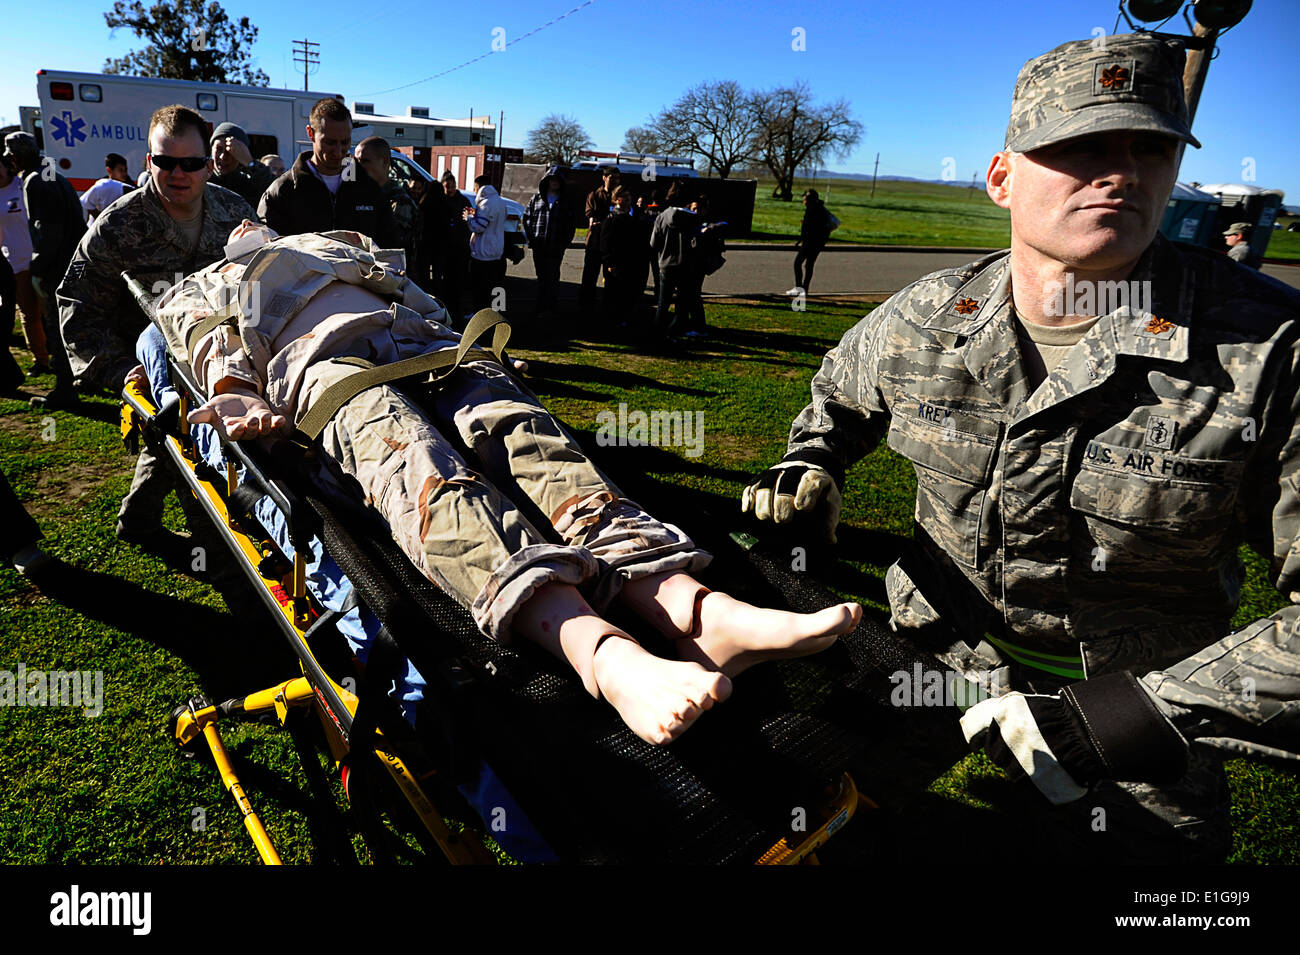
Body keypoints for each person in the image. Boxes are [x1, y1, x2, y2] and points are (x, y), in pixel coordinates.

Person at [741, 33, 1300, 862]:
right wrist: (812, 465)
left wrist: (1125, 721)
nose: (1122, 173)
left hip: (1130, 743)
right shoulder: (927, 316)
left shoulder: (1268, 351)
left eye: (1151, 148)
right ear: (1003, 177)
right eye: (1079, 147)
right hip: (922, 689)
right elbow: (836, 397)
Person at [154, 222, 862, 746]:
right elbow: (207, 341)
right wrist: (234, 391)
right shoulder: (212, 281)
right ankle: (604, 655)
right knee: (421, 470)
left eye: (252, 221)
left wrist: (473, 344)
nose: (244, 226)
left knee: (534, 438)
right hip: (324, 374)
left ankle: (694, 610)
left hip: (424, 344)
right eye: (233, 228)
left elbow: (412, 294)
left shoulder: (335, 240)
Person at [57, 104, 255, 547]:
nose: (178, 174)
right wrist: (119, 370)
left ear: (207, 164)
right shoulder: (118, 226)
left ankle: (137, 522)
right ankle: (224, 568)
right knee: (204, 492)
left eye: (191, 163)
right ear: (149, 161)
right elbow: (77, 305)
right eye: (166, 162)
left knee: (165, 451)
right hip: (155, 376)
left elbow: (263, 283)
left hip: (220, 370)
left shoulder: (235, 213)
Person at [4, 131, 86, 406]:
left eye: (10, 151)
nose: (7, 158)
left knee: (57, 328)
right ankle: (78, 378)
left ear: (20, 154)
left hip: (56, 268)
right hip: (72, 263)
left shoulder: (35, 182)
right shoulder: (51, 176)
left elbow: (48, 232)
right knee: (71, 325)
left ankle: (65, 390)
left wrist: (37, 268)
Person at [257, 98, 392, 245]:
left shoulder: (369, 189)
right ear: (310, 133)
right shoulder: (283, 191)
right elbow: (269, 251)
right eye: (330, 142)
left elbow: (389, 247)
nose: (338, 152)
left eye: (345, 142)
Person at [0, 152, 50, 375]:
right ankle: (41, 360)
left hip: (39, 259)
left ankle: (63, 357)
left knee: (50, 313)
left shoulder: (24, 185)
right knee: (29, 315)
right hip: (14, 263)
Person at [353, 137, 421, 281]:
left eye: (365, 161)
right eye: (356, 161)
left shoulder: (399, 202)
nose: (358, 166)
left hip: (392, 278)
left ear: (384, 162)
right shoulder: (366, 195)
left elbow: (389, 248)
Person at [521, 165, 577, 321]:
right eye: (552, 180)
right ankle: (540, 307)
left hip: (556, 246)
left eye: (557, 180)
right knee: (541, 277)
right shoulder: (537, 198)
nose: (554, 183)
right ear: (547, 181)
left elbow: (571, 223)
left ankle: (551, 308)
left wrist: (565, 241)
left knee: (552, 277)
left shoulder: (565, 201)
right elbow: (527, 218)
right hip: (539, 245)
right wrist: (531, 238)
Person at [599, 185, 650, 330]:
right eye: (623, 197)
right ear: (615, 199)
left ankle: (626, 320)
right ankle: (612, 321)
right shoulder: (611, 218)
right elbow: (605, 243)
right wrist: (609, 262)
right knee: (614, 294)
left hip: (632, 262)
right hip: (616, 263)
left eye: (629, 196)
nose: (627, 199)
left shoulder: (635, 216)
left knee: (630, 294)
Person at [465, 173, 507, 315]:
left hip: (483, 253)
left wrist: (469, 218)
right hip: (497, 251)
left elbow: (479, 227)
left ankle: (479, 316)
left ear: (478, 187)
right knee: (496, 287)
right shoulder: (501, 202)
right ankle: (497, 313)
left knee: (480, 289)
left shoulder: (485, 203)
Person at [210, 123, 277, 208]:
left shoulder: (250, 185)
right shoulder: (202, 180)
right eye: (219, 149)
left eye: (230, 151)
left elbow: (277, 191)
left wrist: (250, 163)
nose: (223, 157)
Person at [580, 166, 619, 311]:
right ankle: (586, 306)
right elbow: (590, 214)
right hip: (595, 243)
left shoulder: (620, 197)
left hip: (613, 245)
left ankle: (609, 307)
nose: (615, 181)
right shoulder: (595, 195)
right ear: (604, 178)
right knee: (590, 276)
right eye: (611, 178)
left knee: (611, 278)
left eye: (617, 178)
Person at [788, 189, 833, 295]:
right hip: (818, 242)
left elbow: (811, 227)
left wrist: (804, 237)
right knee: (809, 265)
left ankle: (799, 288)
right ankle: (805, 288)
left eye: (804, 199)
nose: (803, 201)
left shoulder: (812, 210)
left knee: (798, 263)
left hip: (810, 242)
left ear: (809, 200)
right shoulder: (821, 209)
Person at [440, 171, 472, 318]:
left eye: (452, 186)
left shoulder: (464, 201)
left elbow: (470, 221)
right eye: (446, 187)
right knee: (445, 279)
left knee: (459, 279)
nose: (449, 190)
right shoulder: (440, 200)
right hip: (445, 247)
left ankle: (458, 308)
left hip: (460, 246)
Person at [79, 153, 134, 223]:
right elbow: (86, 202)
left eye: (125, 170)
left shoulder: (128, 186)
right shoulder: (103, 185)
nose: (124, 173)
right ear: (109, 170)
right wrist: (101, 220)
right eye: (120, 170)